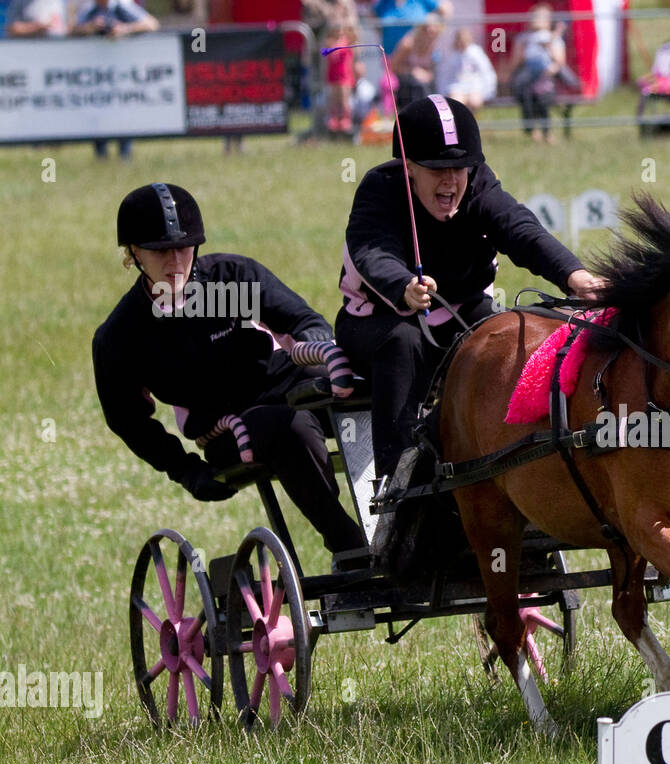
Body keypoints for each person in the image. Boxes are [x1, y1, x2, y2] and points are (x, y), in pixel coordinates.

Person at [94, 184, 369, 567]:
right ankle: (350, 547)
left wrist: (319, 347)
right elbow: (127, 419)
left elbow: (302, 320)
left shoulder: (230, 279)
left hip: (289, 383)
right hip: (228, 427)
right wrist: (185, 470)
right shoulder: (123, 334)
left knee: (363, 389)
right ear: (133, 254)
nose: (175, 262)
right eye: (160, 251)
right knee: (294, 427)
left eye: (184, 248)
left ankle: (403, 524)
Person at [334, 95, 603, 483]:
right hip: (377, 323)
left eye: (460, 168)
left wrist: (575, 276)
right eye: (437, 169)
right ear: (408, 166)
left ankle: (515, 470)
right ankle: (397, 484)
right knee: (404, 342)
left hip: (463, 313)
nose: (451, 180)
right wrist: (404, 285)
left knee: (508, 337)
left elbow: (519, 229)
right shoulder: (380, 187)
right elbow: (370, 249)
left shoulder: (479, 184)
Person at [72, 0, 159, 160]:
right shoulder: (90, 10)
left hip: (122, 73)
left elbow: (152, 24)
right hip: (97, 75)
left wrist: (124, 29)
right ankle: (101, 155)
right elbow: (72, 30)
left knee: (123, 114)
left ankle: (125, 154)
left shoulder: (123, 7)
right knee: (96, 114)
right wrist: (89, 28)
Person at [508, 3, 579, 142]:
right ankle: (532, 129)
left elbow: (559, 62)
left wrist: (549, 52)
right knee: (525, 92)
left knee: (543, 96)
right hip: (528, 76)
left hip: (546, 77)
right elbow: (515, 63)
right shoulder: (523, 39)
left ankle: (547, 132)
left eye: (541, 16)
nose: (537, 19)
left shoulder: (553, 38)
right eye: (535, 16)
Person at [390, 11, 446, 110]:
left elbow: (433, 70)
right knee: (417, 85)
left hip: (425, 83)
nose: (429, 35)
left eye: (433, 32)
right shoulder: (408, 44)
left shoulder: (436, 47)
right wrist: (413, 71)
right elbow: (393, 67)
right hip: (405, 83)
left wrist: (427, 74)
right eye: (426, 29)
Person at [442, 27, 498, 110]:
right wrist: (444, 90)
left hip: (475, 86)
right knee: (456, 104)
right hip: (457, 86)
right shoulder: (452, 55)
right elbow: (445, 74)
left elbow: (486, 71)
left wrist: (488, 91)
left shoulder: (476, 52)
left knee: (474, 102)